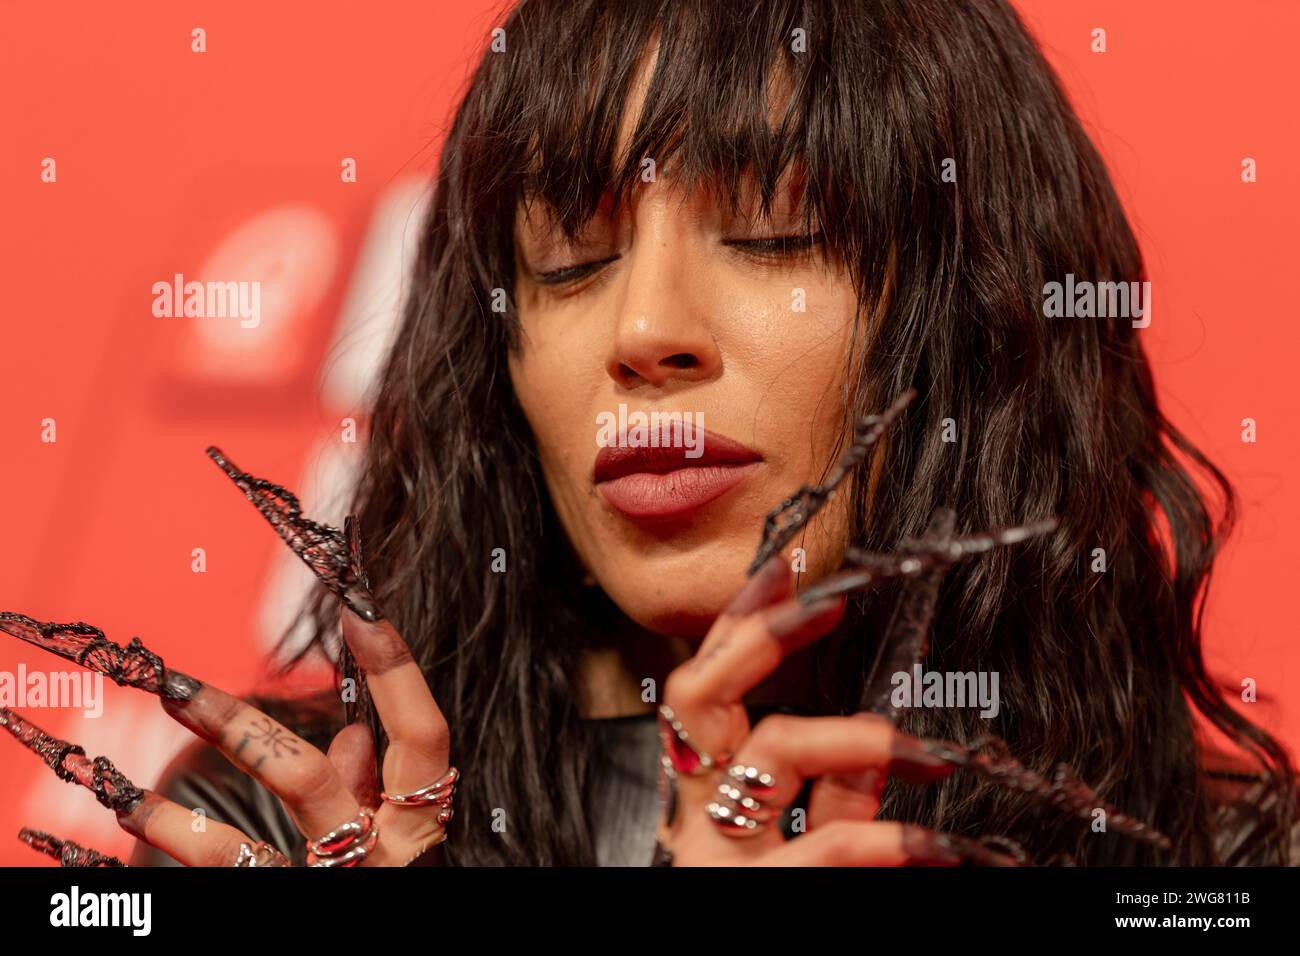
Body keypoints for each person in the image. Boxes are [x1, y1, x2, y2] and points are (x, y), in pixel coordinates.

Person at [129, 0, 1295, 867]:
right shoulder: (282, 824)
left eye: (776, 237)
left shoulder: (1233, 857)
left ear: (975, 321)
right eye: (570, 260)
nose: (644, 330)